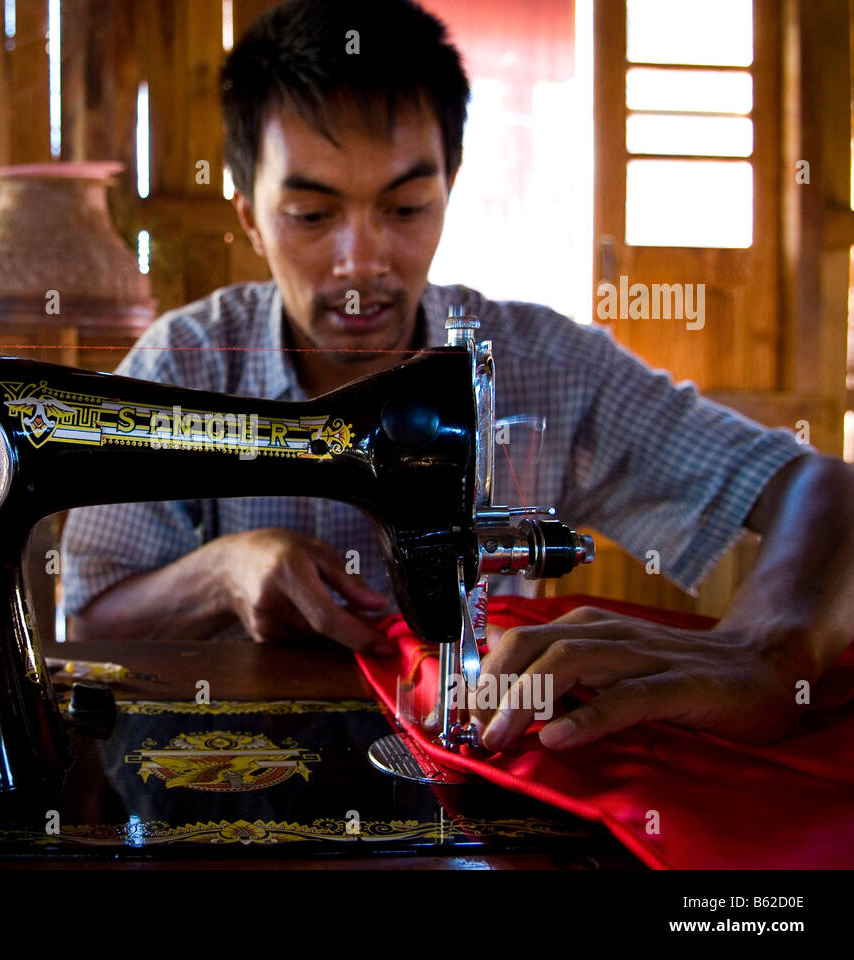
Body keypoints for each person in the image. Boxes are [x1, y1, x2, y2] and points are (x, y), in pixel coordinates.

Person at [60, 0, 854, 753]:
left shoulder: (545, 367)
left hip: (473, 757)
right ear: (250, 217)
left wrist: (769, 650)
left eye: (405, 209)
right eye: (312, 216)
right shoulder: (188, 364)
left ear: (449, 190)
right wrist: (220, 578)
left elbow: (825, 491)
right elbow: (88, 621)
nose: (362, 261)